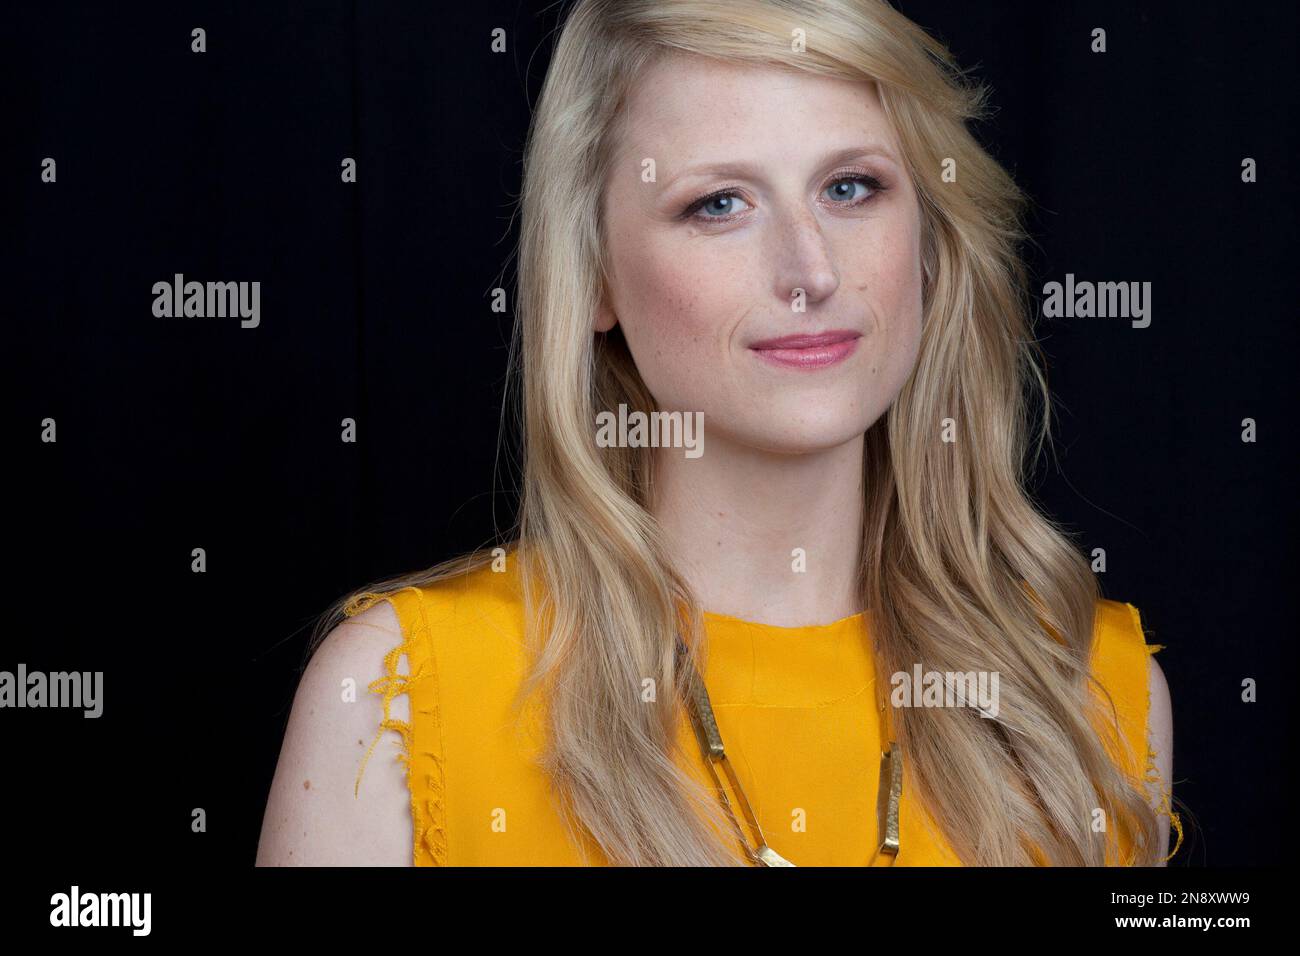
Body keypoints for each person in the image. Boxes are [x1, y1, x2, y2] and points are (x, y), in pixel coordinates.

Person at [256, 0, 1180, 867]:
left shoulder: (1080, 689)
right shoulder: (398, 696)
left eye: (852, 187)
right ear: (597, 280)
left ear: (930, 237)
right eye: (719, 204)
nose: (810, 271)